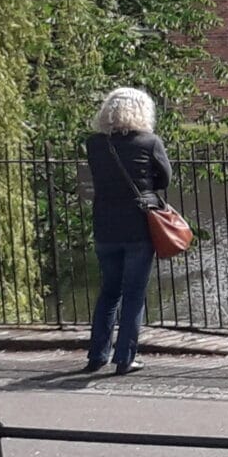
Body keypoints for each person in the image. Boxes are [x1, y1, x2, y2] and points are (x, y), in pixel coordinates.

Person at [84, 87, 172, 376]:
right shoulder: (149, 142)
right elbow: (165, 178)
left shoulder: (95, 144)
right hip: (138, 226)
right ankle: (125, 358)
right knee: (134, 294)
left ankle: (97, 355)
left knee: (109, 292)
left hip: (105, 225)